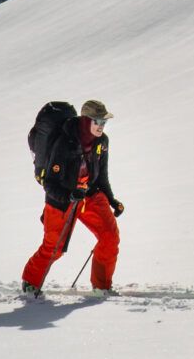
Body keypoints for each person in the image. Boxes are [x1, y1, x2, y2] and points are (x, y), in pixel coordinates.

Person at [22, 99, 124, 297]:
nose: (101, 126)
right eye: (97, 122)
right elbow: (50, 183)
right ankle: (30, 281)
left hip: (89, 194)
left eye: (104, 122)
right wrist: (69, 195)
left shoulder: (102, 142)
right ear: (86, 121)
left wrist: (112, 200)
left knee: (110, 237)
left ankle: (101, 286)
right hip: (61, 200)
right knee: (54, 248)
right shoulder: (65, 143)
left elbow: (101, 176)